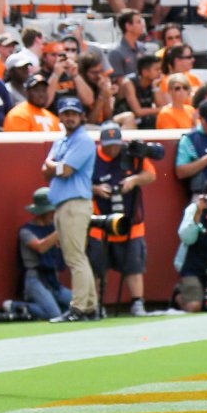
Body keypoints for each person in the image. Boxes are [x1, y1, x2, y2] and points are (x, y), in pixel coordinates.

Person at [88, 123, 155, 315]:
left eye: (116, 145)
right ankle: (97, 305)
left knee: (134, 267)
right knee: (98, 268)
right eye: (108, 145)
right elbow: (81, 181)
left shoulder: (131, 154)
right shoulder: (92, 156)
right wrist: (96, 189)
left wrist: (133, 180)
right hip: (101, 222)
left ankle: (137, 303)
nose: (113, 149)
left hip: (131, 220)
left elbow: (150, 175)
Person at [43, 95, 99, 319]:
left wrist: (55, 166)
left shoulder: (83, 140)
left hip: (75, 203)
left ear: (81, 116)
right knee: (76, 256)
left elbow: (64, 170)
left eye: (74, 114)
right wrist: (56, 167)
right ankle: (91, 306)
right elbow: (45, 169)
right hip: (64, 204)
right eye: (66, 114)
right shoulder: (61, 141)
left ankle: (78, 307)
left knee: (75, 258)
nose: (70, 117)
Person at [17, 187, 73, 321]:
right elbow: (41, 247)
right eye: (52, 211)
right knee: (54, 315)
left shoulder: (53, 227)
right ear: (43, 212)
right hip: (35, 279)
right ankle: (18, 306)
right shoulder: (26, 231)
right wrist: (61, 230)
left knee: (80, 307)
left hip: (53, 280)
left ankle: (46, 304)